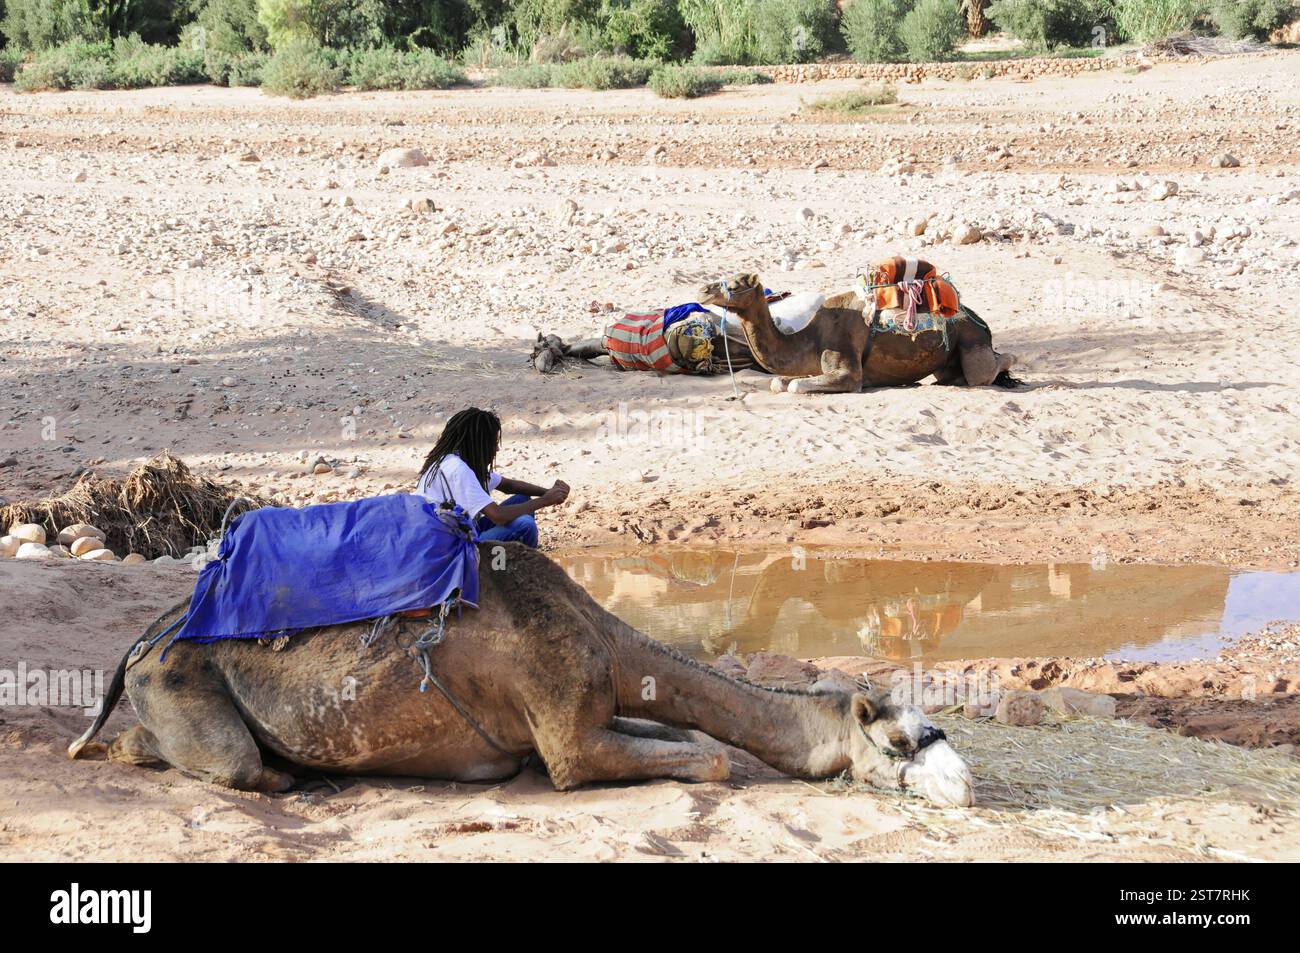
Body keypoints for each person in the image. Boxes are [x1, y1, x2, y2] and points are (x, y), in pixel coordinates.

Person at [414, 407, 568, 548]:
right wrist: (545, 500)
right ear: (477, 444)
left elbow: (508, 486)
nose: (497, 449)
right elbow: (498, 516)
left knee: (522, 499)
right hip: (450, 549)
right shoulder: (457, 469)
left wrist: (549, 492)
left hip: (459, 533)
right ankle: (500, 572)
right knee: (525, 526)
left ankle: (502, 563)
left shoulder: (453, 461)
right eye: (493, 443)